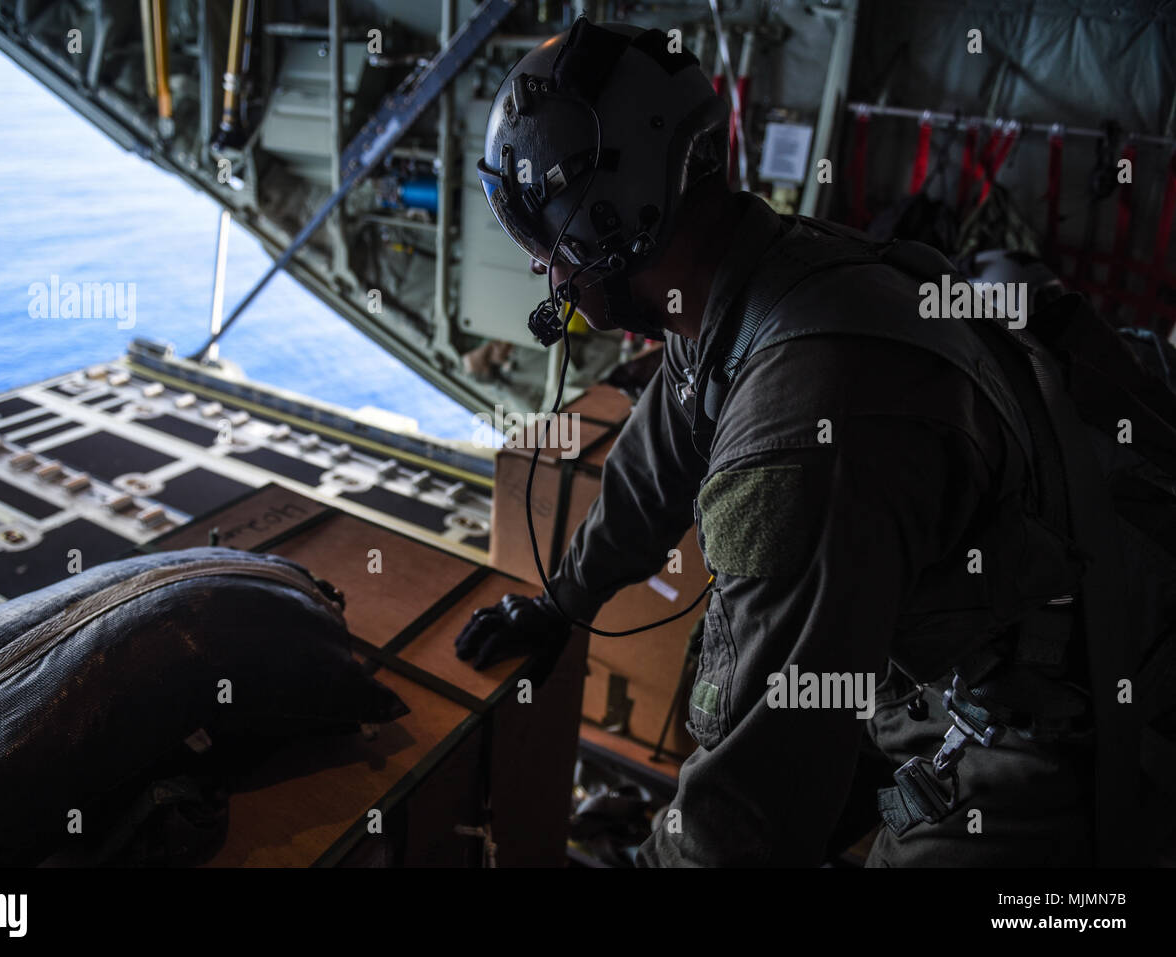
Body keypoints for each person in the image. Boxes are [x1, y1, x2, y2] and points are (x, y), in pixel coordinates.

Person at [454, 17, 1118, 866]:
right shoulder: (748, 280)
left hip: (1054, 721)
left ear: (612, 218)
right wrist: (561, 604)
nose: (548, 271)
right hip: (966, 651)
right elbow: (652, 471)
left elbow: (744, 810)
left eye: (548, 238)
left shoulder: (805, 427)